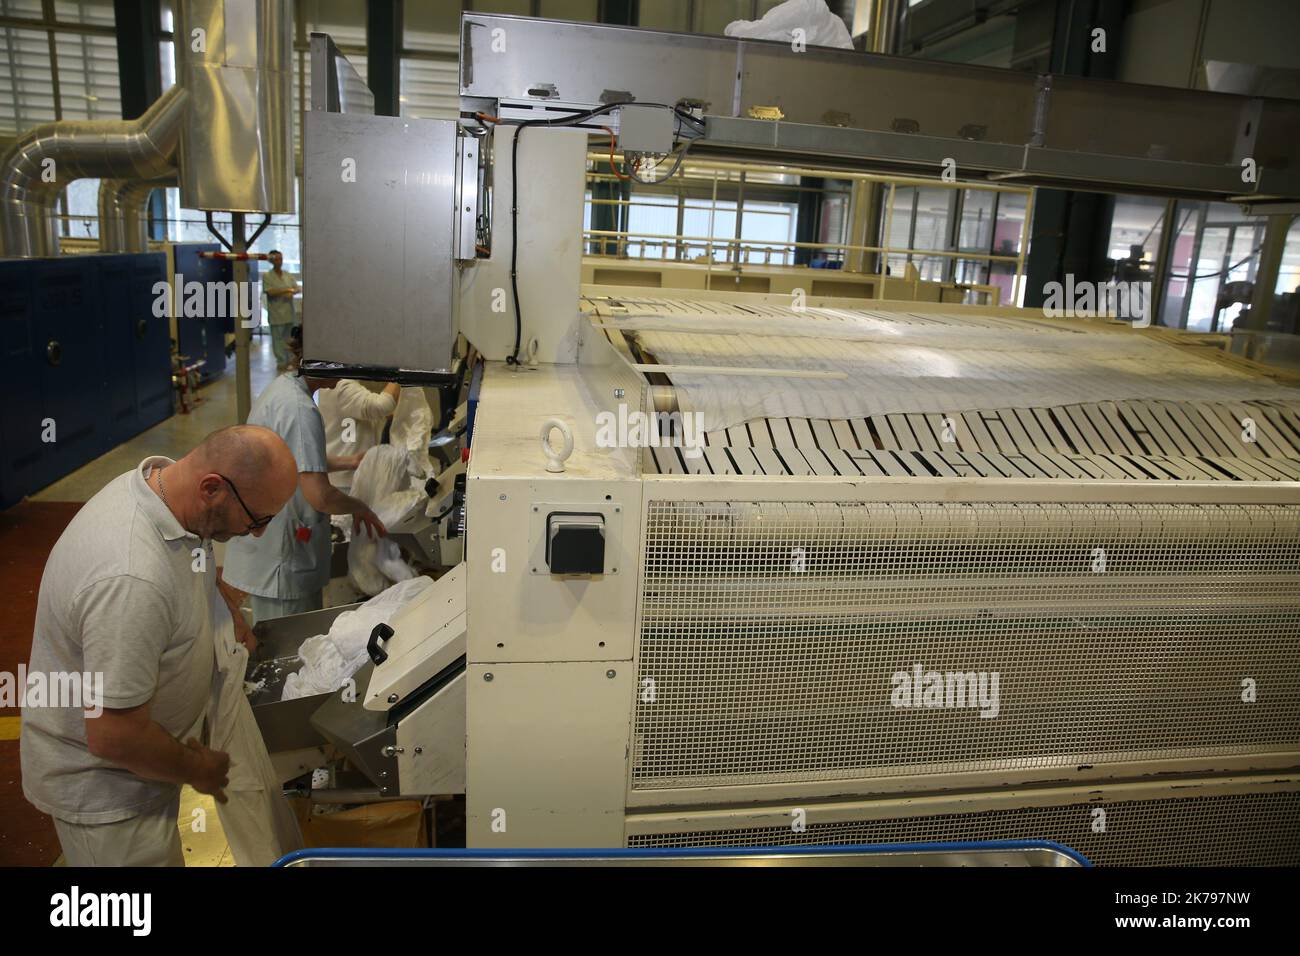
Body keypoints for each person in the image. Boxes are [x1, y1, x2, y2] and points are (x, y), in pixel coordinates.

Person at [21, 426, 300, 866]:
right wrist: (199, 770)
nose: (260, 533)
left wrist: (220, 606)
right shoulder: (131, 576)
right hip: (110, 801)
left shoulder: (165, 491)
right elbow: (116, 736)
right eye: (257, 519)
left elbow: (187, 559)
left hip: (143, 779)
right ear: (212, 488)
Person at [223, 327, 388, 623]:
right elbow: (320, 496)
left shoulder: (283, 389)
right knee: (289, 647)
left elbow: (295, 457)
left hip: (271, 549)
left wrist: (349, 461)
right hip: (282, 558)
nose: (350, 370)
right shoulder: (300, 410)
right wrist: (359, 507)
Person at [318, 379, 401, 493]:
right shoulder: (342, 385)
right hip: (347, 480)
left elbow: (357, 415)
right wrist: (400, 375)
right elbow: (381, 405)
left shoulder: (334, 385)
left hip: (344, 475)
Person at [261, 249, 299, 371]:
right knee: (277, 340)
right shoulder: (267, 276)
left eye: (281, 259)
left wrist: (289, 290)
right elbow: (270, 292)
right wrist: (288, 290)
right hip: (276, 314)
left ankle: (289, 361)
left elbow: (297, 288)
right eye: (276, 259)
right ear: (271, 261)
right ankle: (281, 362)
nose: (279, 261)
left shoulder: (288, 275)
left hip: (288, 312)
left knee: (289, 339)